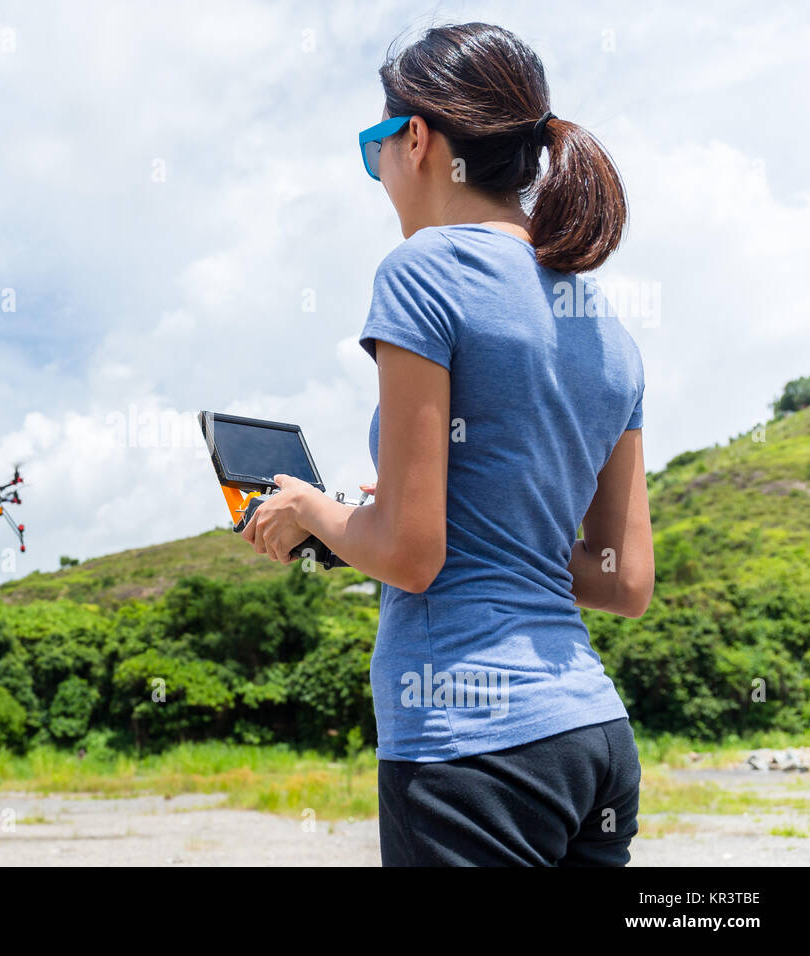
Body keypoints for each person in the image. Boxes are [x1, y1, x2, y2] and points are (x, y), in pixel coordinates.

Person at [240, 21, 652, 866]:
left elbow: (413, 556)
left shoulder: (424, 270)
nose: (379, 171)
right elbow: (624, 581)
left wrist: (315, 510)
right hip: (592, 740)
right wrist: (451, 518)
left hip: (473, 743)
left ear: (416, 139)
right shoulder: (607, 329)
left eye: (375, 148)